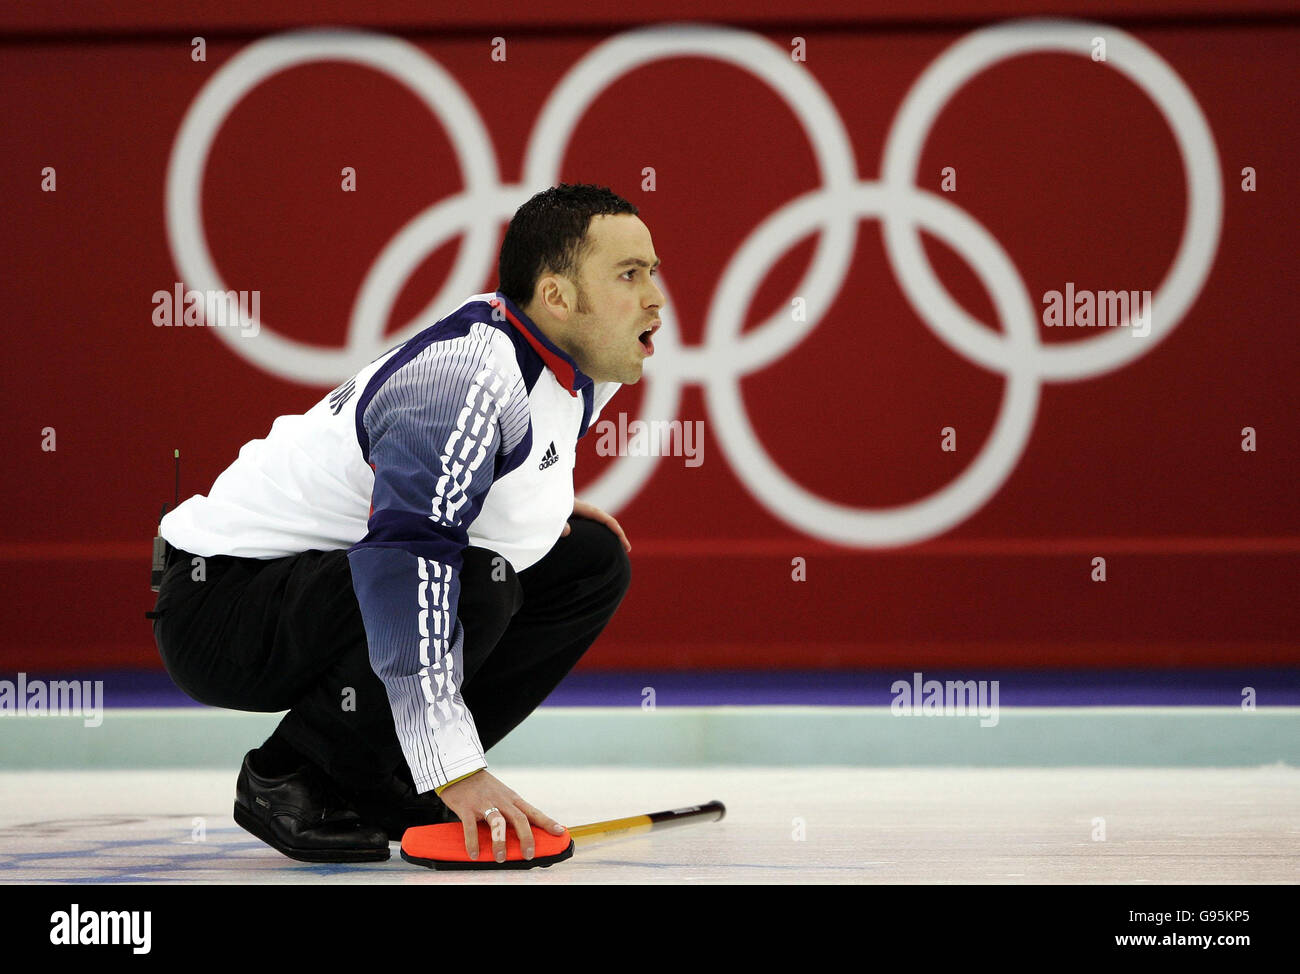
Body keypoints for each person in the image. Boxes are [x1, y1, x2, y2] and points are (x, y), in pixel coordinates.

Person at [150, 183, 665, 865]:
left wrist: (539, 506)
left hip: (313, 581)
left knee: (589, 560)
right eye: (630, 276)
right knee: (470, 579)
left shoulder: (571, 360)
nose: (656, 297)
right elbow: (406, 564)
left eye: (653, 272)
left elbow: (469, 478)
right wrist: (458, 768)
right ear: (558, 297)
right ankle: (291, 774)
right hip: (222, 604)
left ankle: (376, 776)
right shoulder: (467, 379)